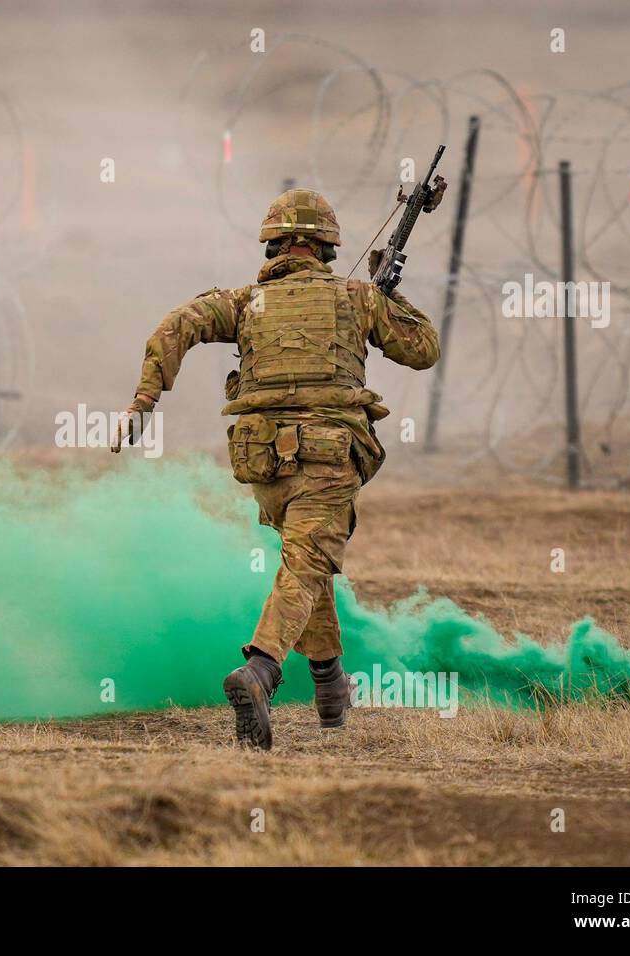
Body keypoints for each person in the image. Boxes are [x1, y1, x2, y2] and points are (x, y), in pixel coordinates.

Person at [112, 188, 441, 749]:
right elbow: (423, 348)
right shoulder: (358, 298)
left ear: (273, 244)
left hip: (264, 464)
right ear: (327, 247)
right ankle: (260, 670)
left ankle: (331, 689)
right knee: (307, 562)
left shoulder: (242, 303)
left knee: (306, 563)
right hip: (328, 456)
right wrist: (392, 294)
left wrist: (144, 402)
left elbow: (176, 325)